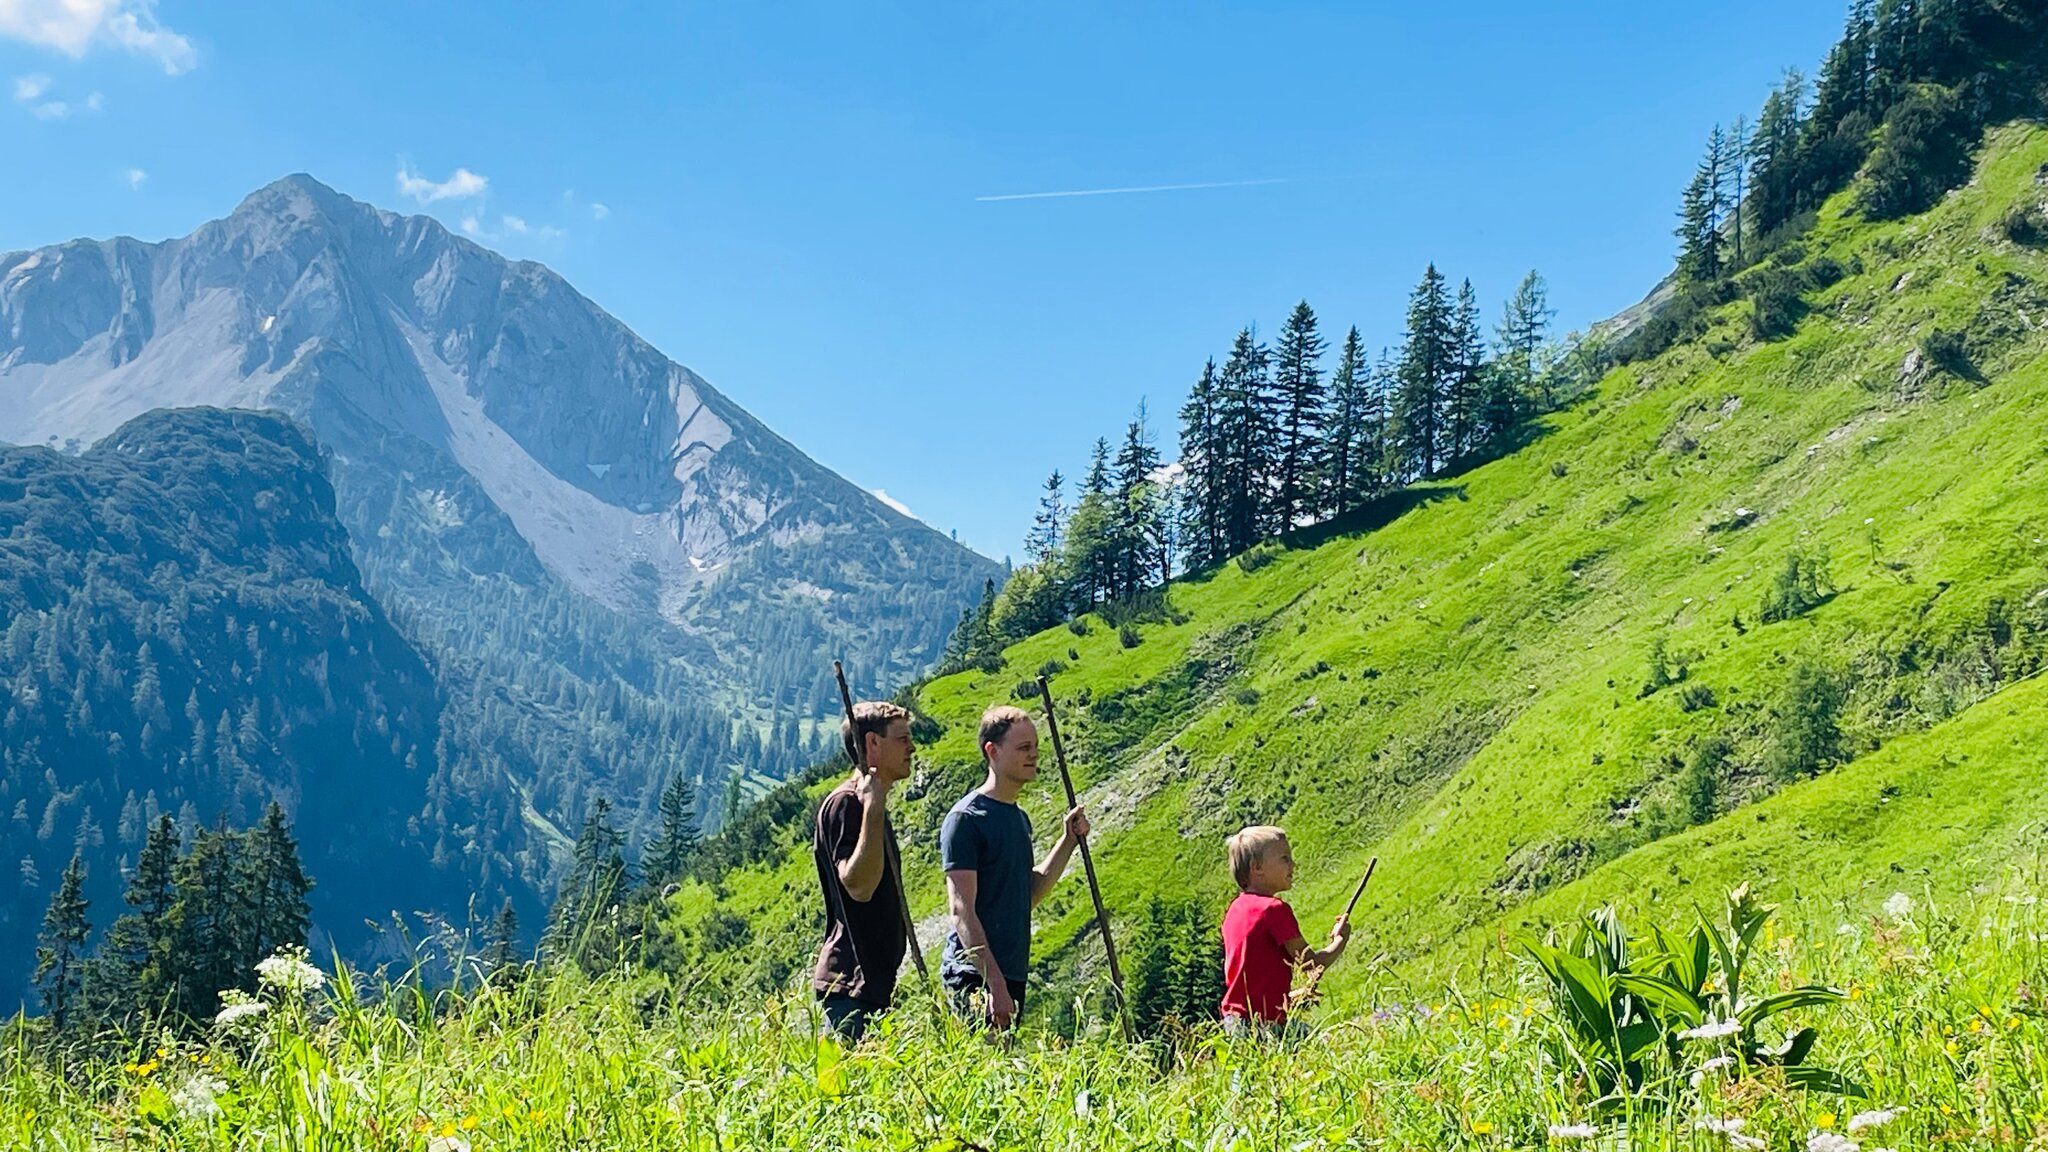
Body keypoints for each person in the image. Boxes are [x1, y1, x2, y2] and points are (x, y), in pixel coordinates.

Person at [940, 704, 1089, 1029]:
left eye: (1035, 747)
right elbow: (961, 909)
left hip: (1008, 974)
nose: (1034, 755)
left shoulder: (1018, 819)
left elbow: (1027, 894)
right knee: (982, 1070)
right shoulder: (966, 819)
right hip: (974, 976)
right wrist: (993, 982)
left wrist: (1068, 841)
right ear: (992, 751)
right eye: (1024, 748)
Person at [810, 700, 915, 1041]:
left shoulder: (869, 803)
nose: (911, 747)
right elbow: (859, 886)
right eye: (901, 739)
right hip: (850, 985)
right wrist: (872, 807)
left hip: (869, 985)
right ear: (872, 743)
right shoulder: (848, 803)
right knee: (846, 1090)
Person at [1218, 825, 1350, 1038]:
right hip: (1264, 1024)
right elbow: (1311, 965)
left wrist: (1289, 998)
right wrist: (1340, 940)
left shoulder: (1235, 910)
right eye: (1285, 859)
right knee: (1321, 1046)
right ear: (1257, 867)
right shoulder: (1273, 910)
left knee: (1250, 1070)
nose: (1293, 865)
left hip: (1235, 1020)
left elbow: (1248, 977)